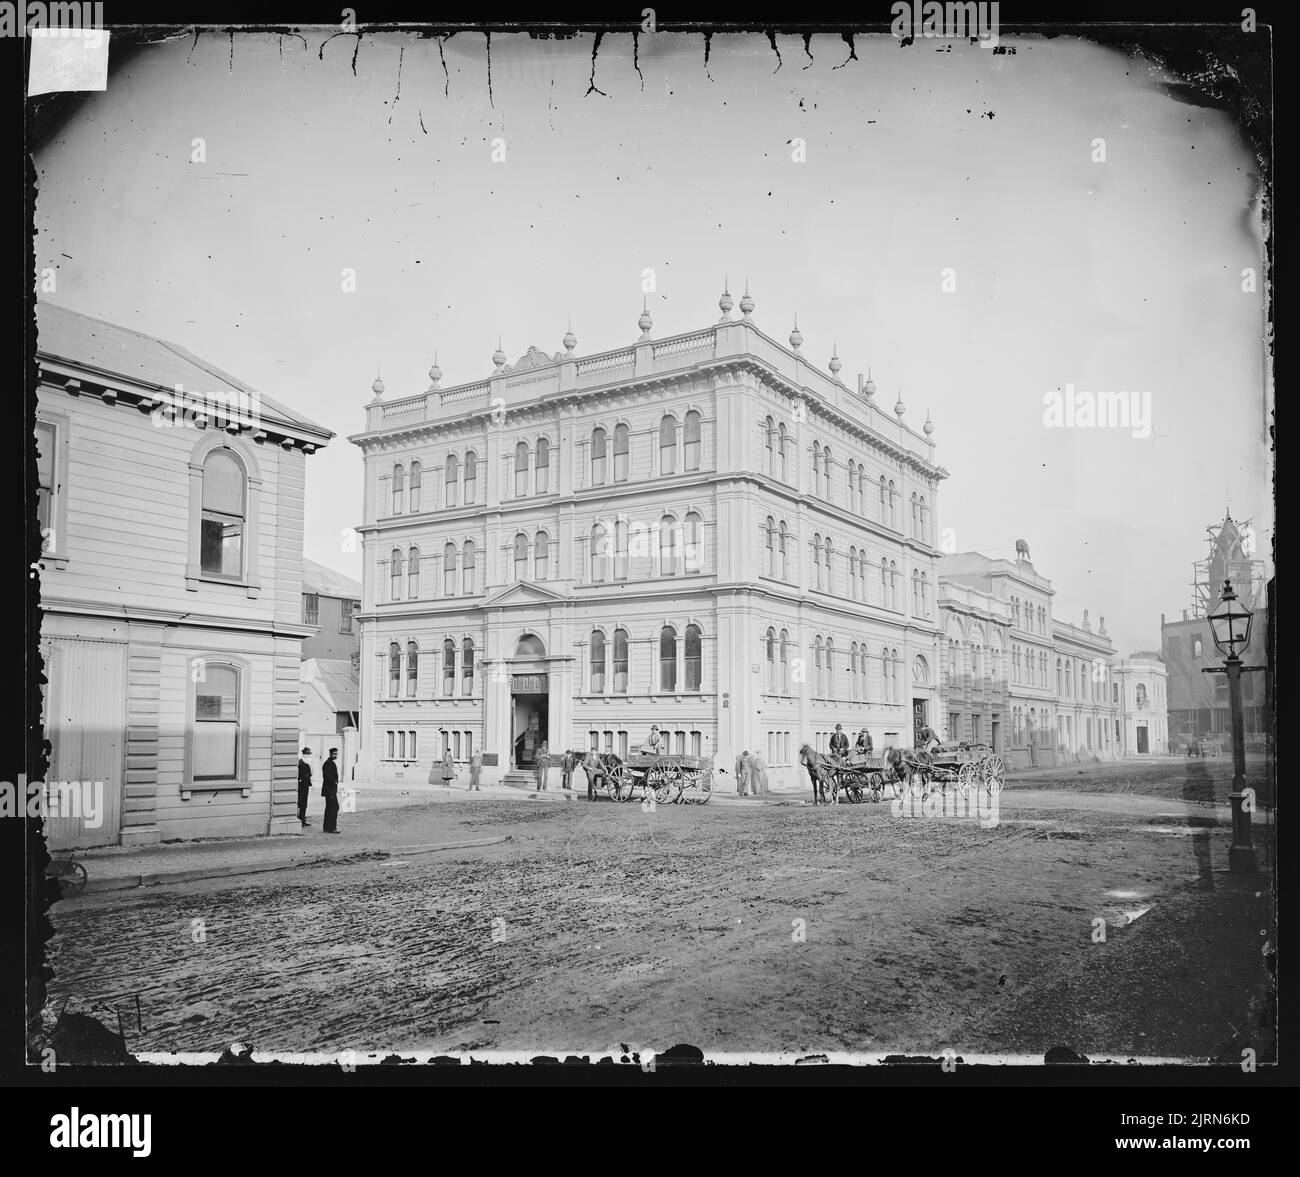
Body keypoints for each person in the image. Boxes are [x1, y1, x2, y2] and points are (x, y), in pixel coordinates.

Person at [321, 748, 340, 833]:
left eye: (336, 754)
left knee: (330, 808)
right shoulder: (328, 764)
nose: (335, 755)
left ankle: (327, 827)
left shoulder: (330, 763)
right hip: (330, 789)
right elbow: (326, 776)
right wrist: (334, 782)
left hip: (331, 789)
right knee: (334, 807)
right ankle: (332, 827)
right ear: (330, 754)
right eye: (334, 754)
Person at [297, 747, 314, 827]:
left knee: (304, 803)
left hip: (305, 785)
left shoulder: (307, 763)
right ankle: (300, 819)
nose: (309, 756)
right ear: (304, 755)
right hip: (301, 786)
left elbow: (310, 774)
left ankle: (302, 819)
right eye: (308, 754)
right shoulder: (301, 762)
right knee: (300, 803)